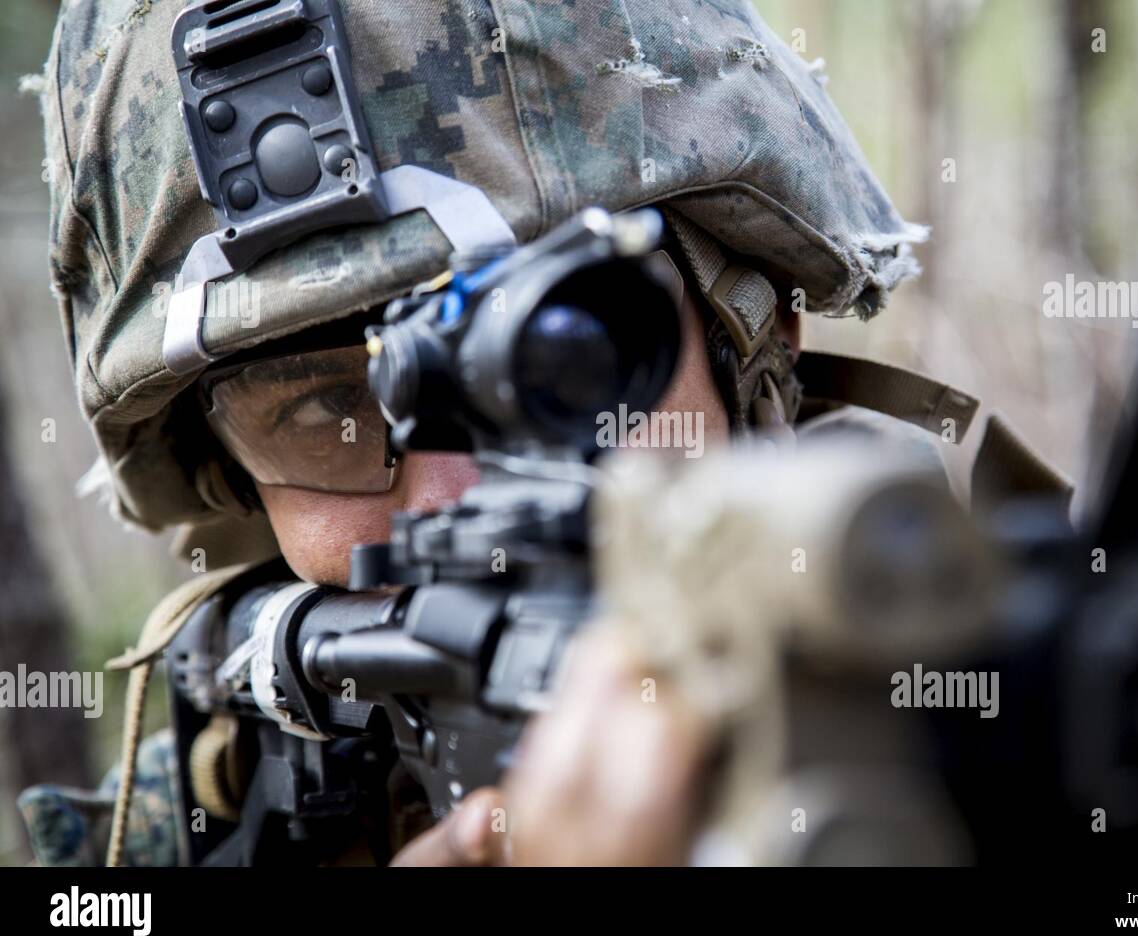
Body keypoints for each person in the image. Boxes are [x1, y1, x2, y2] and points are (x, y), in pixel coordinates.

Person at [21, 0, 1010, 866]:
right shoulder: (172, 832)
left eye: (565, 359)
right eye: (324, 413)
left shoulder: (1021, 736)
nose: (457, 500)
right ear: (228, 477)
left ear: (754, 335)